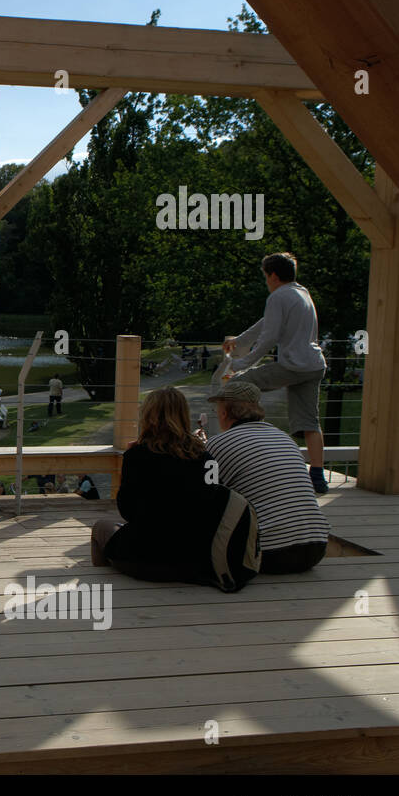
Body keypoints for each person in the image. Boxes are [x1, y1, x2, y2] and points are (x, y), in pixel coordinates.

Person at [90, 387, 255, 590]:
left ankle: (107, 587)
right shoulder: (206, 459)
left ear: (148, 416)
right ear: (184, 416)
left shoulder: (137, 456)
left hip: (144, 558)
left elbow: (128, 511)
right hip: (196, 561)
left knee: (101, 527)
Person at [223, 252, 330, 493]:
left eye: (265, 277)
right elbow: (265, 324)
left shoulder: (278, 296)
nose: (266, 282)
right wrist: (239, 341)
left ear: (273, 275)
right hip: (313, 366)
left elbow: (268, 337)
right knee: (310, 422)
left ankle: (244, 455)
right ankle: (317, 478)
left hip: (292, 365)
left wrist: (243, 364)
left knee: (235, 388)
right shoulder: (301, 292)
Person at [206, 381, 329, 573]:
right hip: (316, 547)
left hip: (268, 551)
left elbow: (206, 494)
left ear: (225, 412)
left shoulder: (217, 444)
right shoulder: (284, 438)